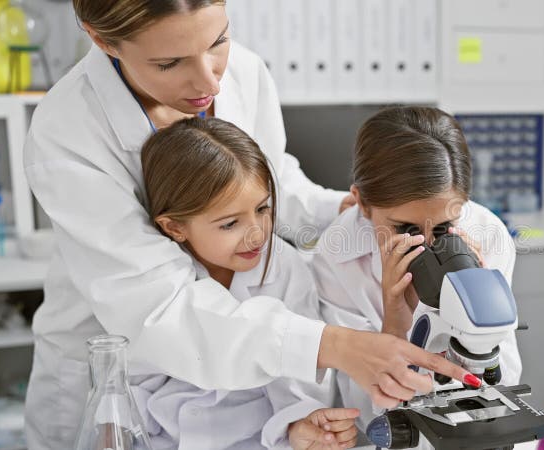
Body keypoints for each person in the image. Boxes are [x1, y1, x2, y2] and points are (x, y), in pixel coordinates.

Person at [23, 2, 469, 448]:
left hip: (240, 407)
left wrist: (368, 210)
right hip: (121, 378)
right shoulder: (69, 129)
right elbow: (160, 312)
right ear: (102, 41)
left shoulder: (244, 71)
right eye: (169, 63)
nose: (210, 80)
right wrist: (335, 346)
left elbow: (271, 184)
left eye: (218, 41)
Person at [132, 116, 356, 450]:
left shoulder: (285, 267)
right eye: (230, 223)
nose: (257, 233)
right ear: (175, 227)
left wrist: (300, 423)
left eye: (263, 208)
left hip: (259, 440)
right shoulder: (153, 281)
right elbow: (133, 386)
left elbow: (298, 384)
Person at [311, 106, 522, 433]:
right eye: (405, 229)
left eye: (443, 228)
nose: (424, 245)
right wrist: (395, 321)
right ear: (362, 204)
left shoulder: (488, 234)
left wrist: (479, 300)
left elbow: (503, 381)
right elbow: (371, 412)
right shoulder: (338, 257)